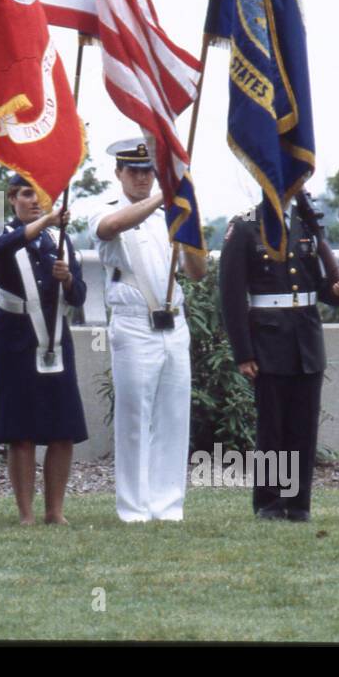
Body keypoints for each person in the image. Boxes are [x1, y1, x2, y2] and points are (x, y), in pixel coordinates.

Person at [219, 202, 339, 521]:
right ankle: (270, 502)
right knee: (273, 426)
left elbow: (316, 284)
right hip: (268, 338)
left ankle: (297, 503)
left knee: (303, 426)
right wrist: (244, 352)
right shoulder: (244, 226)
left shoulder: (305, 222)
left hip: (306, 337)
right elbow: (230, 294)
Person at [95, 139, 207, 523]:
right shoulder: (108, 208)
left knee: (174, 416)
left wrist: (188, 225)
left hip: (173, 321)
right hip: (133, 322)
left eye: (148, 171)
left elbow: (197, 272)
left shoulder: (170, 215)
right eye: (134, 171)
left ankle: (168, 505)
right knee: (134, 417)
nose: (141, 177)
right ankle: (133, 508)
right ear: (119, 174)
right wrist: (164, 197)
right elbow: (109, 229)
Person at [0, 174, 87, 525]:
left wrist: (69, 279)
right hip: (16, 339)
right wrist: (45, 220)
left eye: (41, 194)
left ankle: (54, 511)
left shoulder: (60, 240)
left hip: (56, 339)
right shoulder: (0, 230)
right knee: (21, 432)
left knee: (63, 430)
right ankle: (26, 513)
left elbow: (80, 296)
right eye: (27, 194)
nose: (34, 200)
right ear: (13, 197)